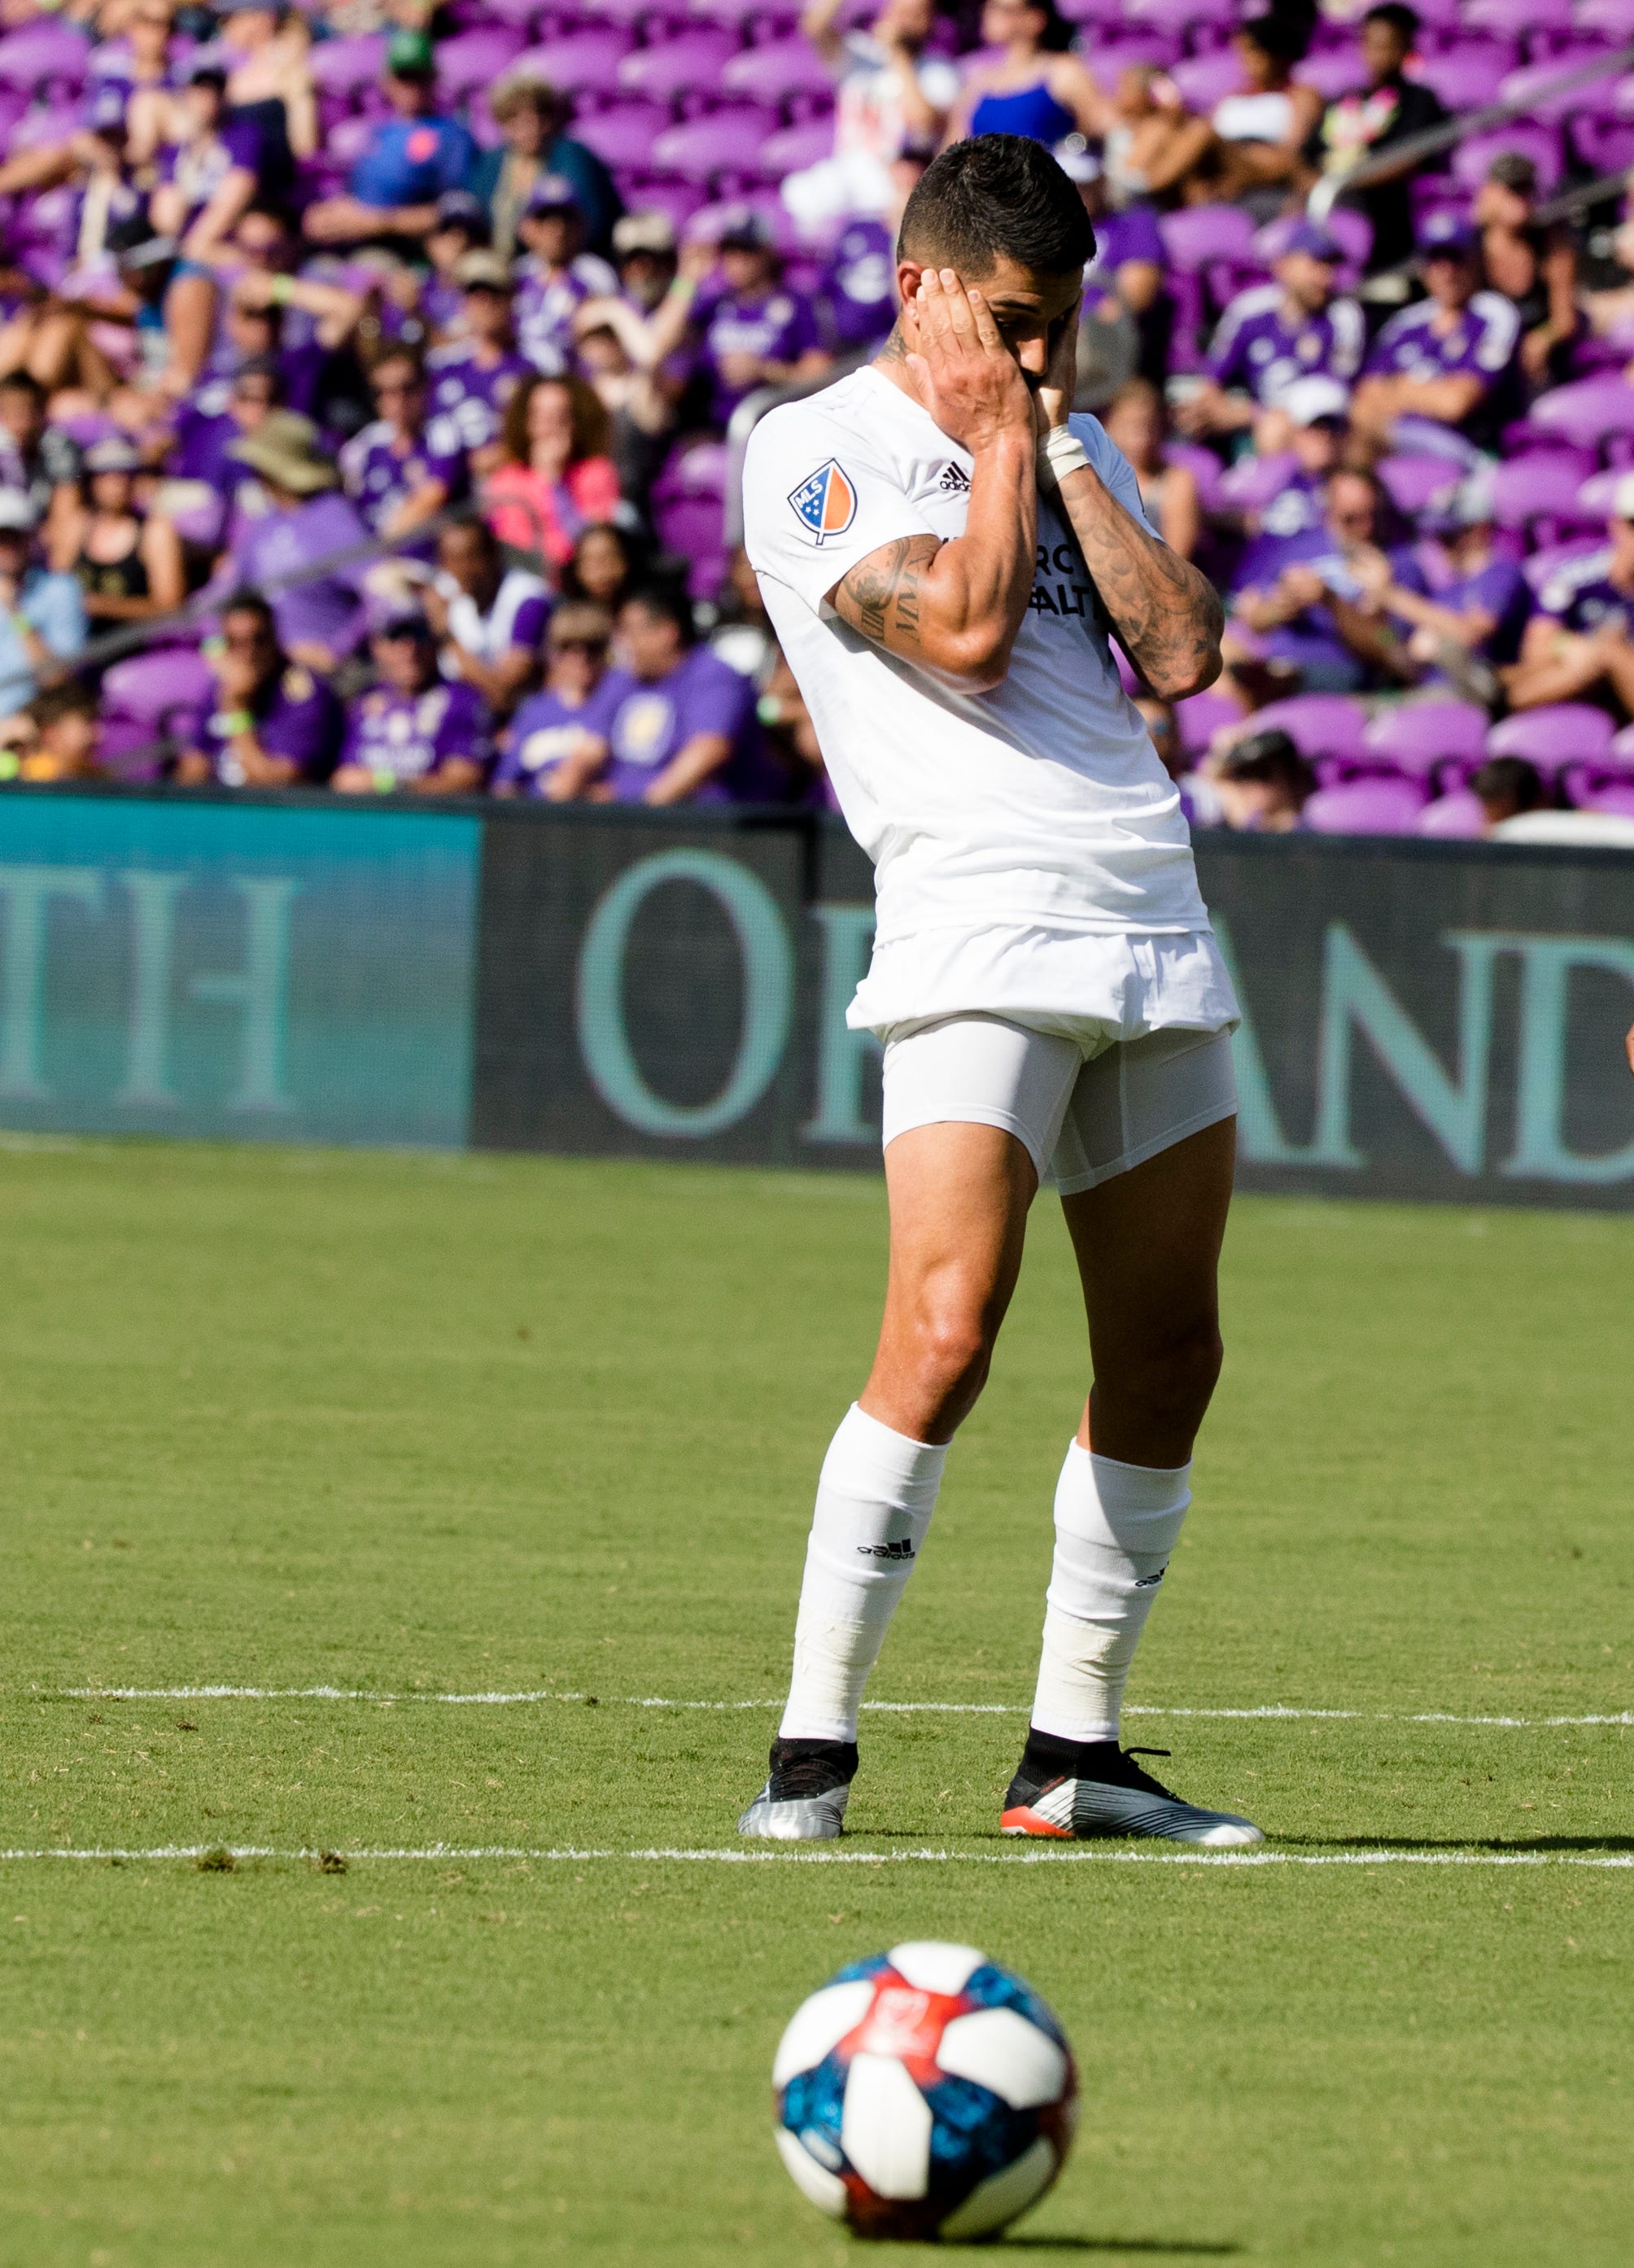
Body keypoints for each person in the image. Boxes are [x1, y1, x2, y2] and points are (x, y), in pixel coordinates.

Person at [738, 134, 1257, 1849]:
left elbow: (1179, 655)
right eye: (1017, 322)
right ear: (924, 290)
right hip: (975, 917)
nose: (1044, 357)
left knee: (1167, 1350)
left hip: (1148, 912)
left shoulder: (1057, 431)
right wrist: (986, 446)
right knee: (945, 1331)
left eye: (1064, 329)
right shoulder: (808, 451)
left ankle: (1074, 1750)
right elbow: (958, 632)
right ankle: (810, 1750)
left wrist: (1049, 442)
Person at [548, 583, 765, 804]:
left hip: (699, 823)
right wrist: (562, 799)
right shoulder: (622, 679)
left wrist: (644, 811)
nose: (622, 642)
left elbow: (709, 751)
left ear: (667, 633)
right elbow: (590, 748)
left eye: (630, 631)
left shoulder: (714, 677)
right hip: (625, 819)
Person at [1352, 214, 1521, 461]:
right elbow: (1365, 399)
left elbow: (1456, 404)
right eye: (1435, 259)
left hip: (1469, 450)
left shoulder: (1492, 313)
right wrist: (1432, 394)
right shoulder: (1405, 323)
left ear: (1474, 261)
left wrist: (1397, 387)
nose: (1446, 271)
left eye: (1455, 258)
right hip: (1396, 443)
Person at [646, 211, 829, 433]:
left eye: (745, 251)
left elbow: (822, 375)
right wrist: (687, 278)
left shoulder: (796, 304)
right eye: (728, 251)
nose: (735, 260)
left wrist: (764, 370)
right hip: (711, 427)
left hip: (773, 425)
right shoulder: (713, 305)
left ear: (765, 254)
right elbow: (655, 345)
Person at [1230, 466, 1407, 691]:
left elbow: (1390, 647)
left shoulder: (1398, 561)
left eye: (1373, 516)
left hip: (1343, 671)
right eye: (1350, 519)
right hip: (1278, 659)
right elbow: (1256, 621)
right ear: (1329, 514)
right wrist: (1284, 606)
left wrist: (1331, 601)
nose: (1366, 528)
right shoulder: (1299, 549)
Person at [785, 0, 960, 228]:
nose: (904, 20)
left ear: (930, 22)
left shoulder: (940, 71)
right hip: (846, 172)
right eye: (899, 12)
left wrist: (899, 55)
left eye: (914, 15)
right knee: (797, 194)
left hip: (897, 181)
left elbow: (924, 124)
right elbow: (815, 28)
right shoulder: (859, 54)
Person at [222, 410, 374, 671]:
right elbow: (223, 593)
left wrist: (337, 650)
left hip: (329, 676)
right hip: (266, 668)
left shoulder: (333, 516)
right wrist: (217, 646)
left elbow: (383, 594)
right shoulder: (263, 524)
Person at [1182, 222, 1364, 437]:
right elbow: (1211, 381)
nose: (1326, 277)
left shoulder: (1342, 316)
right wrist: (1208, 408)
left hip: (1317, 430)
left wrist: (1252, 415)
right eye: (1316, 264)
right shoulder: (1249, 311)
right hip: (1252, 427)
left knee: (1275, 431)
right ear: (1283, 266)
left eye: (1332, 266)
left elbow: (1331, 395)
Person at [302, 33, 477, 251]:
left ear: (434, 79)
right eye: (404, 77)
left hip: (409, 252)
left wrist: (380, 222)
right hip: (354, 244)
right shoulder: (378, 131)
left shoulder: (452, 136)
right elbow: (360, 195)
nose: (412, 87)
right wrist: (332, 214)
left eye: (420, 77)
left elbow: (460, 210)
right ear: (387, 81)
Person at [1318, 2, 1448, 275]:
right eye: (1370, 43)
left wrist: (1343, 182)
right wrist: (1315, 182)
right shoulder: (1345, 99)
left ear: (1405, 48)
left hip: (1387, 212)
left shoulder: (1420, 100)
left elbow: (1408, 158)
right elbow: (1309, 152)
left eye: (1387, 45)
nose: (1376, 54)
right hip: (1333, 198)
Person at [174, 588, 343, 785]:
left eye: (258, 640)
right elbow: (193, 771)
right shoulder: (219, 688)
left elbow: (272, 784)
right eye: (236, 642)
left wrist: (237, 711)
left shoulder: (305, 696)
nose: (249, 654)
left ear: (274, 638)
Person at [1505, 479, 1634, 718]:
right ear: (1616, 524)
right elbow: (1536, 649)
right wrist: (1569, 646)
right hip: (1577, 684)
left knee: (1611, 652)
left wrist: (1610, 653)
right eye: (1633, 524)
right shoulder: (1573, 577)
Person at [331, 608, 492, 794]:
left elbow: (464, 780)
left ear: (435, 643)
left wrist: (389, 783)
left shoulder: (462, 700)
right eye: (396, 637)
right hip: (368, 817)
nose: (409, 649)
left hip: (431, 818)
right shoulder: (365, 702)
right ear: (377, 646)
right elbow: (345, 778)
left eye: (419, 635)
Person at [482, 372, 621, 570]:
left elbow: (593, 545)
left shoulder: (597, 473)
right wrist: (545, 474)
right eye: (541, 416)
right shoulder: (505, 482)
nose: (550, 426)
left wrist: (555, 481)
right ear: (526, 423)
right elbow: (521, 552)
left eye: (561, 417)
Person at [473, 76, 621, 262]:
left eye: (540, 118)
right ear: (503, 125)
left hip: (565, 263)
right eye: (519, 121)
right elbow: (475, 214)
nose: (532, 128)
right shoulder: (492, 164)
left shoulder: (572, 157)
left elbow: (593, 221)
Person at [491, 599, 621, 798]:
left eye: (592, 647)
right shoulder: (535, 710)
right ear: (554, 653)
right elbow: (504, 784)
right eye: (568, 647)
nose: (581, 657)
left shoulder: (616, 704)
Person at [51, 434, 186, 624]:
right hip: (79, 641)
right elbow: (55, 587)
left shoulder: (155, 531)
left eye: (127, 474)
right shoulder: (77, 525)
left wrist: (101, 605)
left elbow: (170, 607)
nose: (119, 483)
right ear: (92, 482)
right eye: (108, 474)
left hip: (133, 644)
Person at [425, 512, 549, 715]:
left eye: (470, 557)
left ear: (493, 555)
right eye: (452, 560)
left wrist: (446, 636)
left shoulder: (528, 600)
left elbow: (502, 695)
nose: (462, 570)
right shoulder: (452, 600)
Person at [339, 345, 465, 548]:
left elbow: (432, 498)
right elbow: (347, 506)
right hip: (375, 563)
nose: (398, 401)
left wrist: (374, 553)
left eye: (407, 388)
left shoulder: (441, 432)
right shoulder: (364, 445)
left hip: (427, 556)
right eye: (385, 392)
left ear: (425, 387)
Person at [943, 0, 1107, 151]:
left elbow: (1106, 125)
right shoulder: (978, 82)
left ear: (1035, 19)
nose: (988, 13)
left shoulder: (1063, 71)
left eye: (1001, 9)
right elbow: (949, 153)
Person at [1474, 152, 1578, 387]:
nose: (1520, 198)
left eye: (1525, 189)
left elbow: (1564, 320)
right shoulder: (1470, 249)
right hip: (1486, 356)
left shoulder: (1551, 245)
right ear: (1491, 194)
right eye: (1511, 190)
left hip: (1542, 360)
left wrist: (1541, 339)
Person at [1200, 12, 1322, 204]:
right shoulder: (1231, 97)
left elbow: (1291, 152)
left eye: (1253, 51)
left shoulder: (1300, 96)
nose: (1245, 60)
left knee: (1199, 132)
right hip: (1222, 160)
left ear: (1277, 54)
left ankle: (1142, 182)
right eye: (1242, 53)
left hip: (1265, 161)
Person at [424, 252, 532, 468]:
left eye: (494, 294)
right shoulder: (443, 368)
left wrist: (503, 454)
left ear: (511, 298)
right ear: (463, 303)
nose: (485, 304)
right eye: (475, 295)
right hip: (451, 487)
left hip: (511, 482)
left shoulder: (531, 366)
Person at [512, 177, 618, 378]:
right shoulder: (517, 273)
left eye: (565, 219)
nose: (558, 230)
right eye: (546, 219)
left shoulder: (594, 274)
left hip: (575, 379)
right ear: (528, 227)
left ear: (581, 225)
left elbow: (604, 343)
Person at [0, 494, 86, 719]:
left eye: (13, 538)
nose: (5, 548)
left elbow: (57, 680)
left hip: (31, 721)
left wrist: (14, 611)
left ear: (30, 539)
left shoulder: (60, 589)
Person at [1101, 378, 1199, 560]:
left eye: (1149, 426)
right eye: (1130, 426)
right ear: (1110, 424)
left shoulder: (1177, 481)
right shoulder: (1095, 476)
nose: (1142, 438)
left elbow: (1178, 558)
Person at [1208, 725, 1313, 831]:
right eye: (1243, 775)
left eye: (1261, 773)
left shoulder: (1307, 830)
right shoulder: (1237, 827)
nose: (1251, 784)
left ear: (1292, 778)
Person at [7, 679, 103, 783]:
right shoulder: (26, 782)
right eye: (85, 726)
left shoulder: (96, 779)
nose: (97, 736)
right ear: (51, 734)